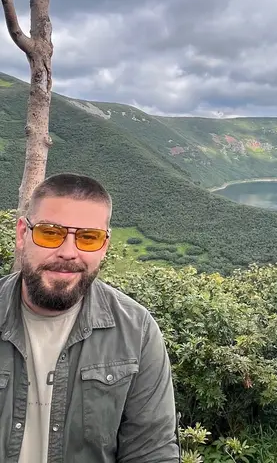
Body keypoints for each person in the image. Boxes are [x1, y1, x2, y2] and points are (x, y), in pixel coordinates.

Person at [0, 172, 180, 463]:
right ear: (23, 234)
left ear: (104, 246)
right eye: (50, 233)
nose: (68, 252)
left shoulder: (137, 332)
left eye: (88, 238)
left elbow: (151, 452)